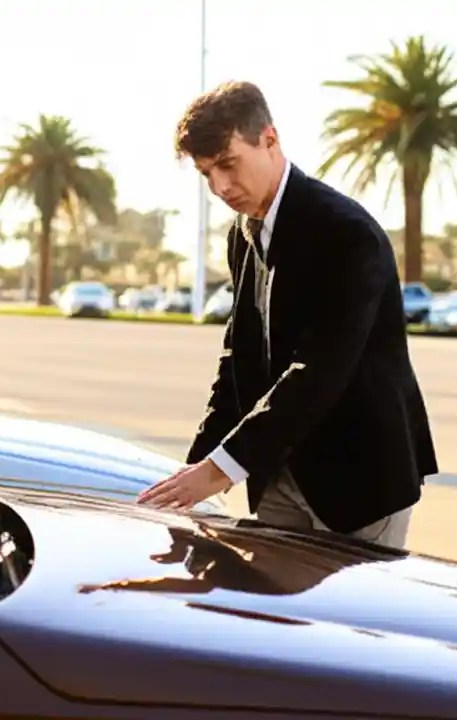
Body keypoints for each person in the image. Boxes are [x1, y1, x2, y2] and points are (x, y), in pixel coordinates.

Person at [136, 80, 438, 550]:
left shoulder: (346, 233)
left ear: (270, 140)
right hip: (279, 477)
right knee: (277, 623)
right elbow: (239, 361)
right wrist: (196, 471)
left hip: (359, 483)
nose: (219, 187)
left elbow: (319, 369)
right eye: (206, 173)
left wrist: (220, 470)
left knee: (348, 623)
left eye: (229, 165)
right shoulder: (242, 233)